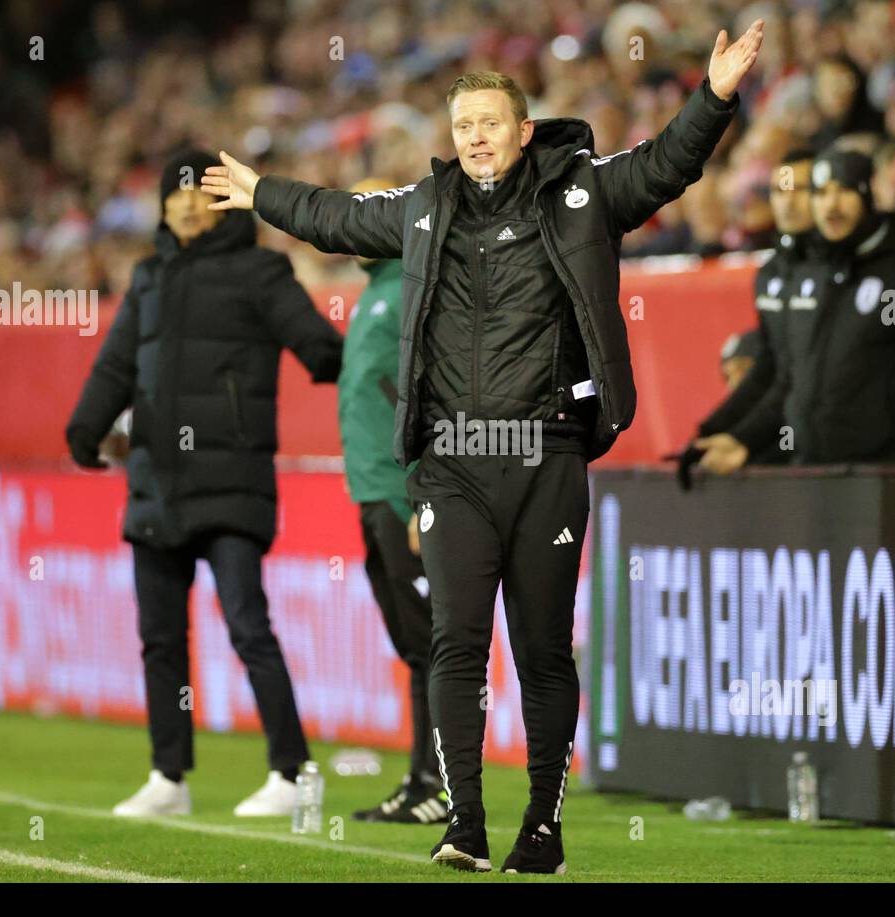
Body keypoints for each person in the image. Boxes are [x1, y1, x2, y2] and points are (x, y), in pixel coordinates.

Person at [202, 20, 765, 873]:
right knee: (456, 643)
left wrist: (715, 97)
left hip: (548, 456)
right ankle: (465, 822)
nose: (474, 139)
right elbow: (337, 218)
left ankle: (543, 826)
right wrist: (264, 194)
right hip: (453, 464)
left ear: (523, 131)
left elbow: (666, 164)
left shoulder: (583, 191)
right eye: (463, 127)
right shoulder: (425, 209)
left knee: (541, 648)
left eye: (489, 124)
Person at [65, 147, 342, 817]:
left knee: (249, 625)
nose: (189, 205)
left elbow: (320, 346)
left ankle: (294, 773)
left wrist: (344, 360)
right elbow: (115, 365)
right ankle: (169, 777)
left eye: (202, 194)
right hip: (156, 483)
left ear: (224, 204)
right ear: (161, 207)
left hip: (231, 479)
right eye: (176, 195)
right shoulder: (148, 277)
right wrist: (84, 428)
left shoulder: (261, 271)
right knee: (159, 638)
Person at [341, 177, 447, 826]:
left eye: (369, 207)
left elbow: (431, 399)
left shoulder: (414, 286)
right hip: (373, 492)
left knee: (435, 645)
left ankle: (441, 782)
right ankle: (420, 779)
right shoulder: (375, 290)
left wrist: (418, 498)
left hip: (400, 495)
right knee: (416, 646)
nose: (355, 221)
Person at [769, 148, 895, 464]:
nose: (831, 206)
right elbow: (788, 379)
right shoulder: (809, 276)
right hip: (812, 475)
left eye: (845, 190)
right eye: (821, 193)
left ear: (871, 195)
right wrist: (737, 438)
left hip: (890, 482)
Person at [679, 148, 816, 480]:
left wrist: (745, 438)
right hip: (794, 438)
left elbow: (801, 377)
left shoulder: (836, 274)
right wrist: (712, 430)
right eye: (781, 191)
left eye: (802, 189)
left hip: (833, 447)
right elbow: (772, 368)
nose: (789, 202)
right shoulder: (771, 275)